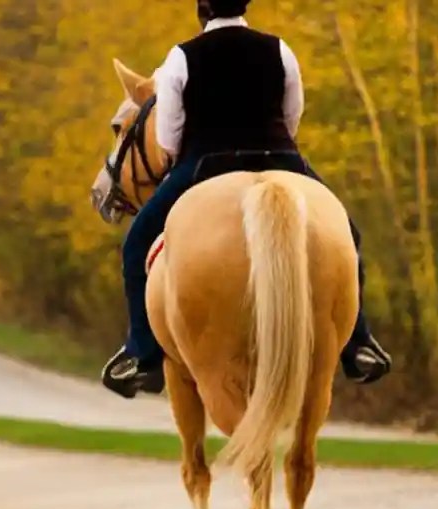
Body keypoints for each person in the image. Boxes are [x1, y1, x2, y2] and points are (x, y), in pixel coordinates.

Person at [101, 0, 392, 398]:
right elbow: (292, 117)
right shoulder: (280, 49)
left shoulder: (180, 58)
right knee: (347, 234)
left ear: (201, 11)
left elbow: (168, 139)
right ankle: (358, 344)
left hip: (204, 163)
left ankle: (143, 355)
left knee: (136, 246)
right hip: (280, 157)